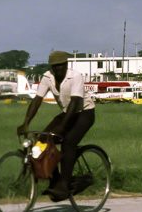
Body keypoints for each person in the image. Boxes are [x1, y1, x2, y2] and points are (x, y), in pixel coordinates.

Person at [17, 51, 96, 202]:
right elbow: (37, 100)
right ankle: (55, 181)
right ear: (51, 67)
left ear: (66, 65)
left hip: (84, 113)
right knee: (42, 141)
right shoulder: (47, 77)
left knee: (68, 143)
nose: (58, 69)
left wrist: (62, 127)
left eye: (61, 65)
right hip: (67, 113)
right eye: (55, 66)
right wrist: (26, 122)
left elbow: (75, 103)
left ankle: (65, 185)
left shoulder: (76, 76)